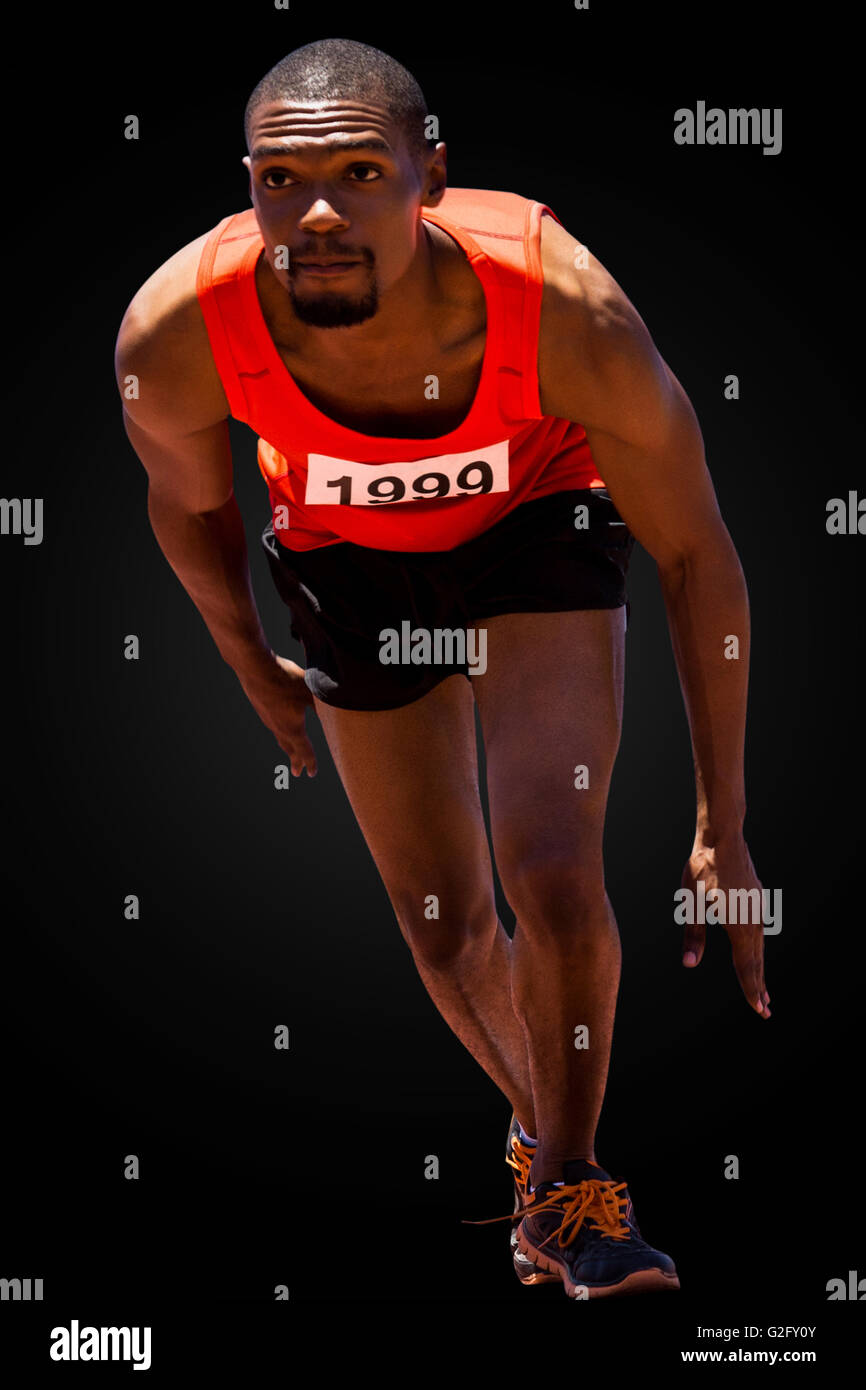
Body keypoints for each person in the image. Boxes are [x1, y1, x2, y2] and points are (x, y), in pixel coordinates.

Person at [114, 37, 770, 1300]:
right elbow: (186, 506)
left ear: (429, 174)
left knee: (552, 874)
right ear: (245, 185)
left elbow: (696, 554)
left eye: (361, 172)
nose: (317, 215)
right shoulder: (180, 324)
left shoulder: (563, 306)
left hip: (536, 518)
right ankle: (544, 1149)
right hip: (343, 560)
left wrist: (722, 829)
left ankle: (576, 1200)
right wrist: (250, 660)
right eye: (279, 180)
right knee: (444, 922)